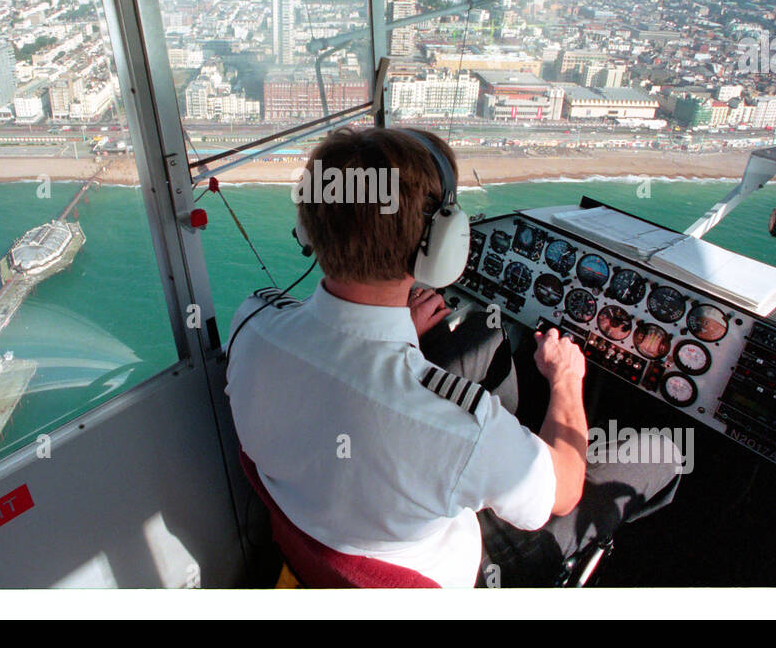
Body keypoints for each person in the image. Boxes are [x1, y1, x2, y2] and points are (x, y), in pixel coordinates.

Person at [224, 126, 682, 587]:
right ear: (440, 243)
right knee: (663, 450)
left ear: (308, 225)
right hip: (457, 573)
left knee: (487, 328)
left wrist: (400, 331)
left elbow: (341, 379)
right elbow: (563, 493)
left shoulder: (252, 322)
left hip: (319, 543)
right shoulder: (461, 425)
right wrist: (565, 379)